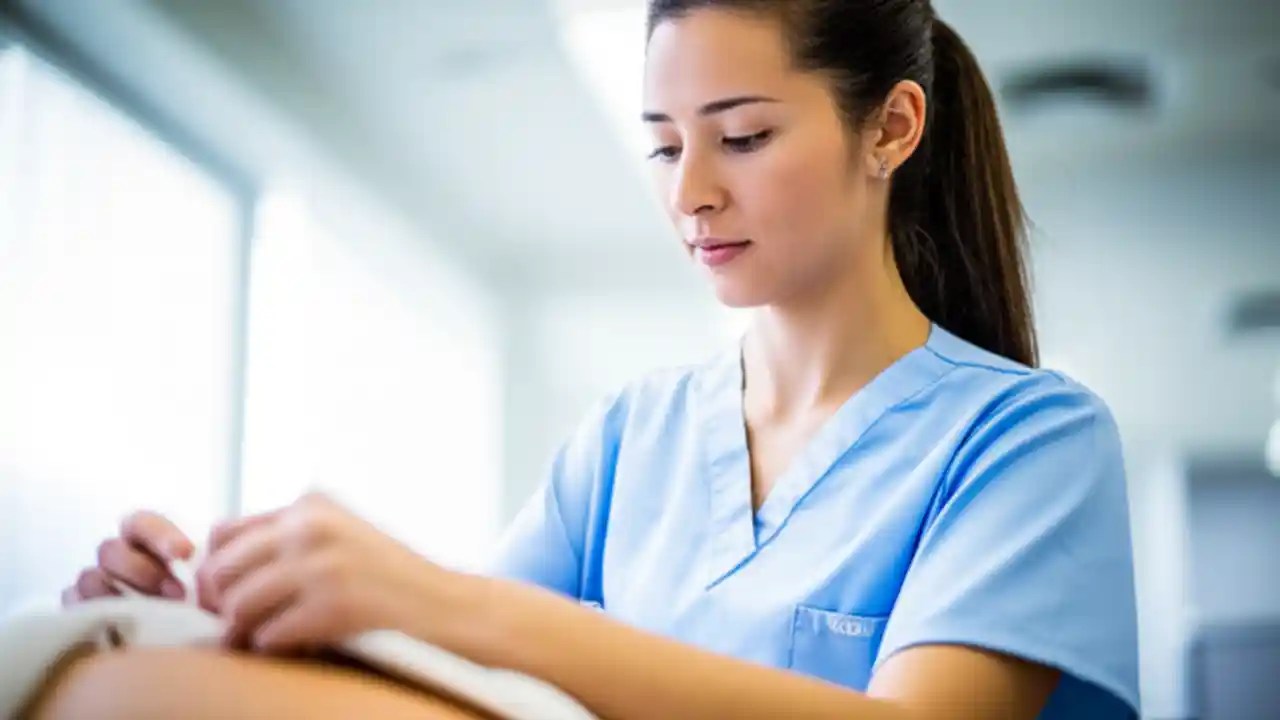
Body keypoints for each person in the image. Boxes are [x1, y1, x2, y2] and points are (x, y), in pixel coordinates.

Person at [39, 1, 1140, 718]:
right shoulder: (631, 436)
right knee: (122, 675)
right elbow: (448, 682)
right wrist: (224, 598)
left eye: (741, 137)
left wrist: (437, 598)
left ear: (890, 129)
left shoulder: (1027, 440)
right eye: (662, 143)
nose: (686, 191)